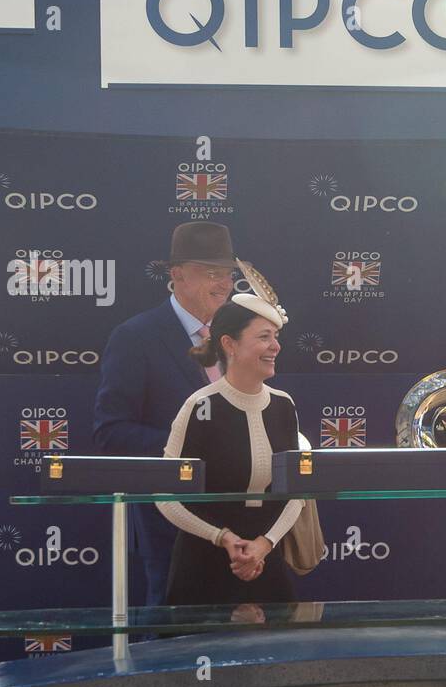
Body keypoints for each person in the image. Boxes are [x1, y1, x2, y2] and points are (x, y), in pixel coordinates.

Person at [94, 222, 239, 605]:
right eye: (211, 272)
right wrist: (192, 448)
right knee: (170, 635)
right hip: (170, 522)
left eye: (227, 273)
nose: (223, 282)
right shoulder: (135, 337)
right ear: (176, 275)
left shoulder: (240, 337)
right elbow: (111, 433)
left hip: (242, 518)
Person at [156, 292, 302, 605]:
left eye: (275, 337)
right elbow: (165, 497)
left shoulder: (283, 405)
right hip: (203, 565)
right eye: (264, 337)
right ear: (229, 344)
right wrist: (223, 538)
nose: (276, 346)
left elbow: (298, 493)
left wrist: (264, 545)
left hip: (265, 562)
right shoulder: (199, 406)